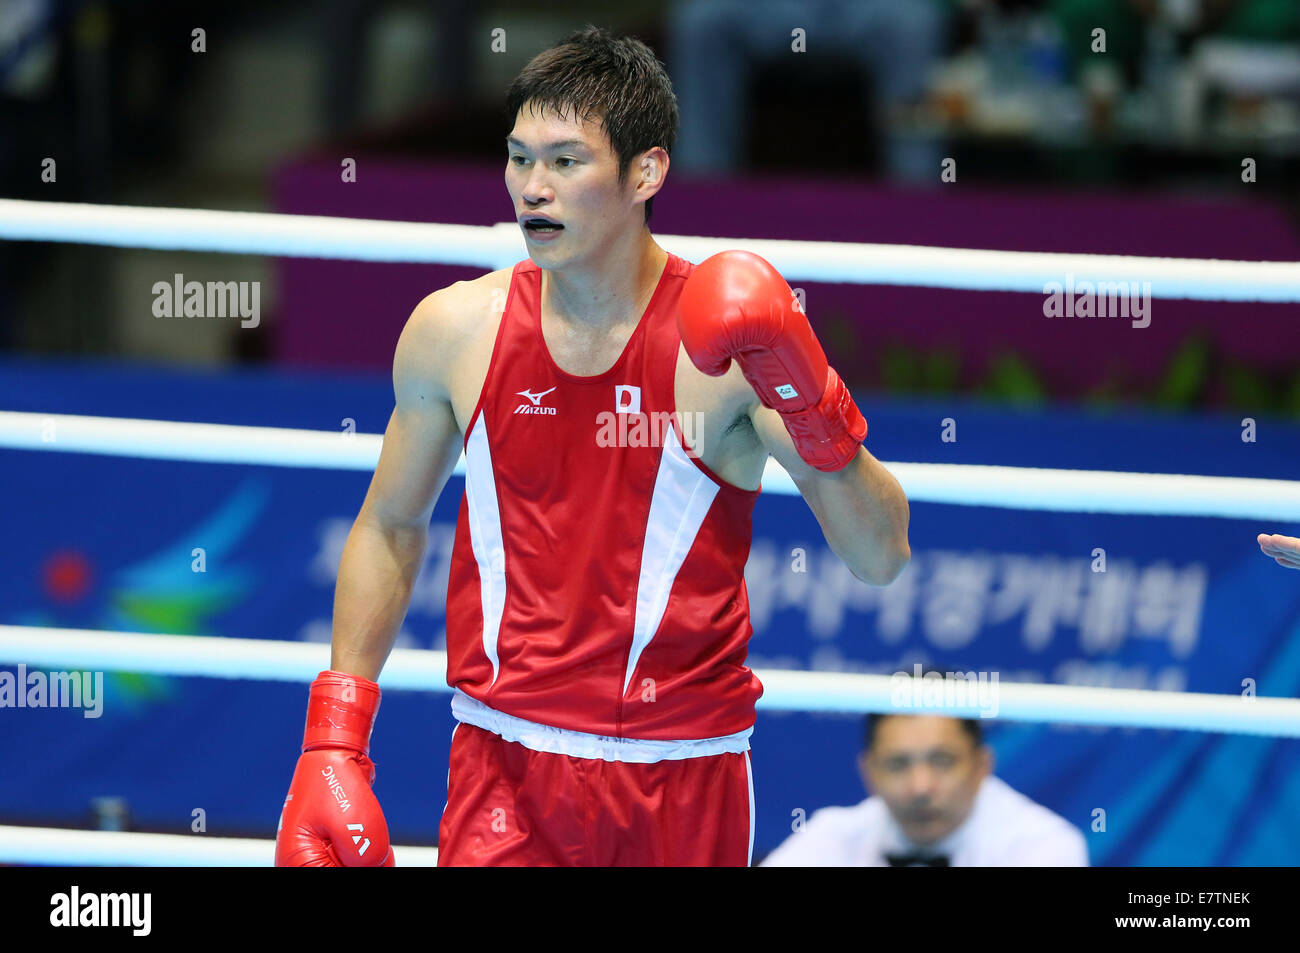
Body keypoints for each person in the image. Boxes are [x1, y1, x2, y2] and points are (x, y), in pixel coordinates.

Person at [273, 25, 910, 868]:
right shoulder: (455, 330)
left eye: (567, 162)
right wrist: (334, 741)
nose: (533, 189)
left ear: (645, 172)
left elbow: (880, 556)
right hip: (504, 770)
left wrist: (810, 398)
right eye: (517, 157)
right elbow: (390, 523)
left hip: (683, 776)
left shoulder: (721, 358)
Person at [760, 712, 1088, 866]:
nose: (920, 787)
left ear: (981, 766)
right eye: (898, 764)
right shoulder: (832, 834)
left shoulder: (1044, 846)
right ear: (868, 771)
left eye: (942, 761)